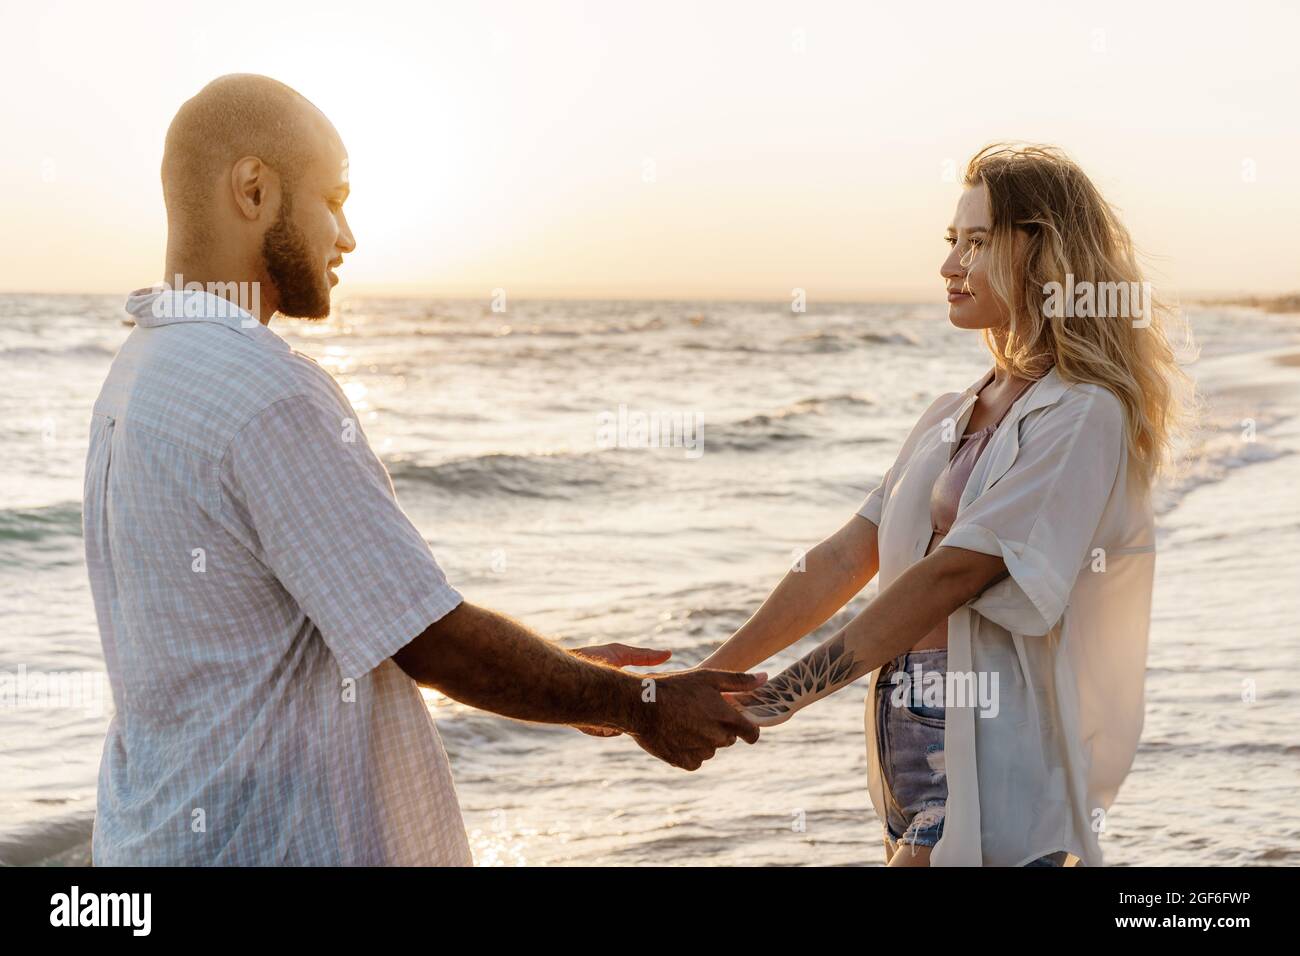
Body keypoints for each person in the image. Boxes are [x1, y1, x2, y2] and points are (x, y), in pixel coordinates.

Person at [82, 74, 761, 866]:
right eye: (333, 199)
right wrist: (640, 703)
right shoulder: (266, 390)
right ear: (254, 188)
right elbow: (430, 641)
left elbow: (361, 613)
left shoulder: (139, 372)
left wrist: (564, 673)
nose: (347, 235)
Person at [703, 143, 1190, 866]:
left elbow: (953, 575)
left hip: (992, 737)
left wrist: (784, 697)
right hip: (904, 727)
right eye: (951, 242)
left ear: (1042, 252)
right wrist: (709, 677)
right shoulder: (950, 411)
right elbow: (845, 556)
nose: (949, 265)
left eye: (978, 242)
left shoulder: (1084, 413)